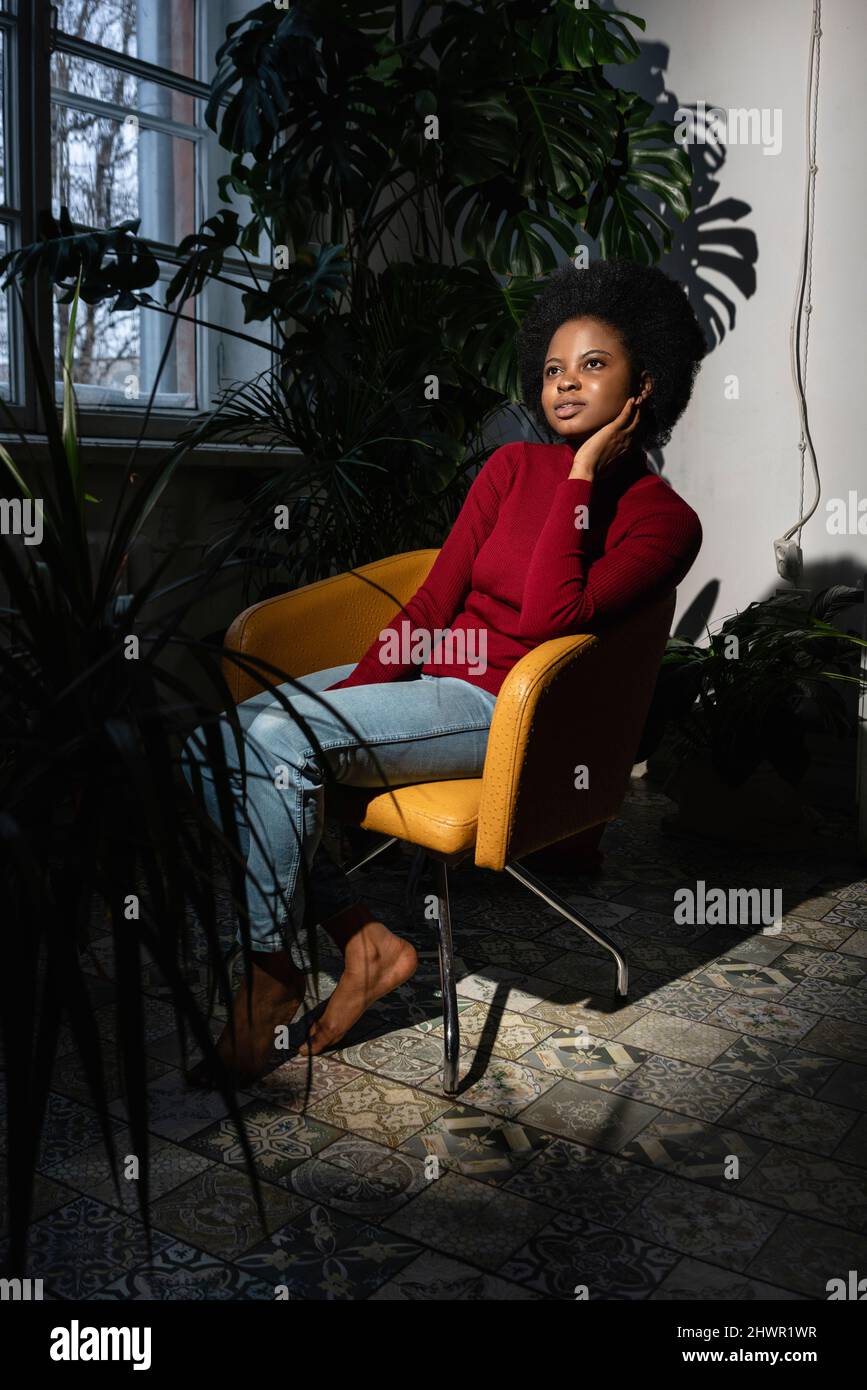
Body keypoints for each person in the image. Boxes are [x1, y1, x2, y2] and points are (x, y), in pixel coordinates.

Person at [182, 256, 707, 1086]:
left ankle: (270, 977)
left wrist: (579, 478)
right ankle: (363, 940)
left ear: (645, 384)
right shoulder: (505, 471)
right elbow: (431, 604)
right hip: (435, 686)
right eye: (551, 370)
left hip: (509, 711)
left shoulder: (663, 521)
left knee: (273, 737)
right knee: (214, 741)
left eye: (593, 366)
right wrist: (349, 710)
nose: (564, 385)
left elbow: (547, 620)